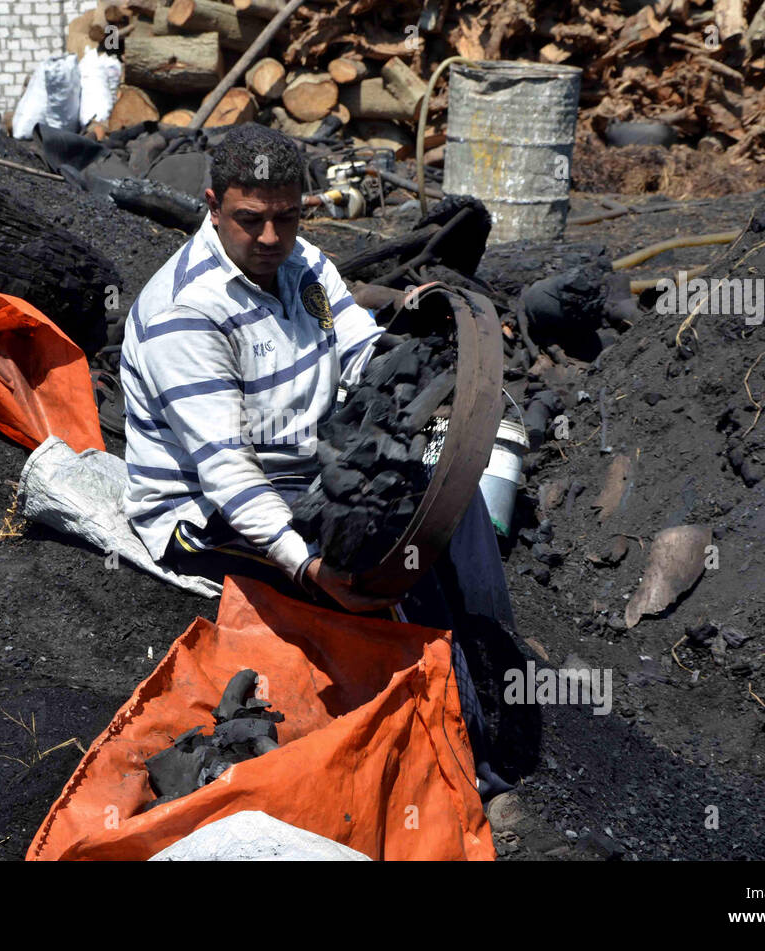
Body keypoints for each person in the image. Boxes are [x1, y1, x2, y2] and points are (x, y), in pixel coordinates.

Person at [120, 124, 516, 795]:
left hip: (304, 472)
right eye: (251, 221)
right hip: (205, 510)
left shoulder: (304, 265)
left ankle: (492, 654)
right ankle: (456, 764)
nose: (272, 237)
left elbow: (362, 354)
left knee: (455, 504)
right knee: (377, 569)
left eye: (287, 216)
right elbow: (226, 471)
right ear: (213, 205)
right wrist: (308, 563)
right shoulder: (186, 312)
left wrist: (414, 375)